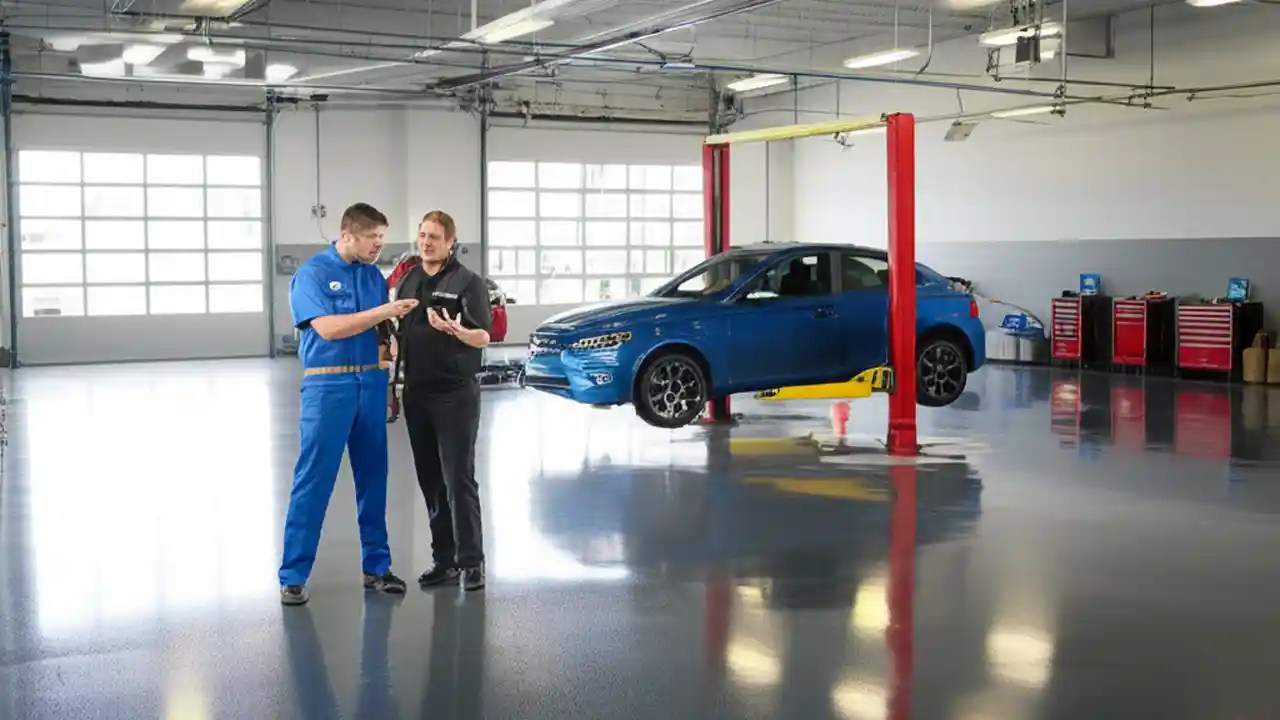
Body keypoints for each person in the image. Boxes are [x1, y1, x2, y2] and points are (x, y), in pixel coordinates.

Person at [278, 202, 419, 606]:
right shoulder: (313, 275)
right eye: (373, 238)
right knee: (313, 481)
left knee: (374, 480)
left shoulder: (373, 277)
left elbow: (376, 331)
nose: (379, 246)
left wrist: (388, 356)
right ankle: (293, 575)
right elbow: (328, 328)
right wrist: (385, 309)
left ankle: (376, 567)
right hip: (328, 388)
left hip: (371, 385)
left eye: (382, 239)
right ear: (346, 235)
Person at [393, 210, 490, 592]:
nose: (426, 242)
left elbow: (483, 336)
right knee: (431, 480)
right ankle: (444, 559)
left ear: (451, 241)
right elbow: (400, 330)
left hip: (455, 396)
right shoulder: (409, 279)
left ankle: (471, 562)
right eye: (422, 234)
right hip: (417, 393)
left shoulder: (468, 282)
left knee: (457, 478)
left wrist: (457, 330)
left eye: (434, 236)